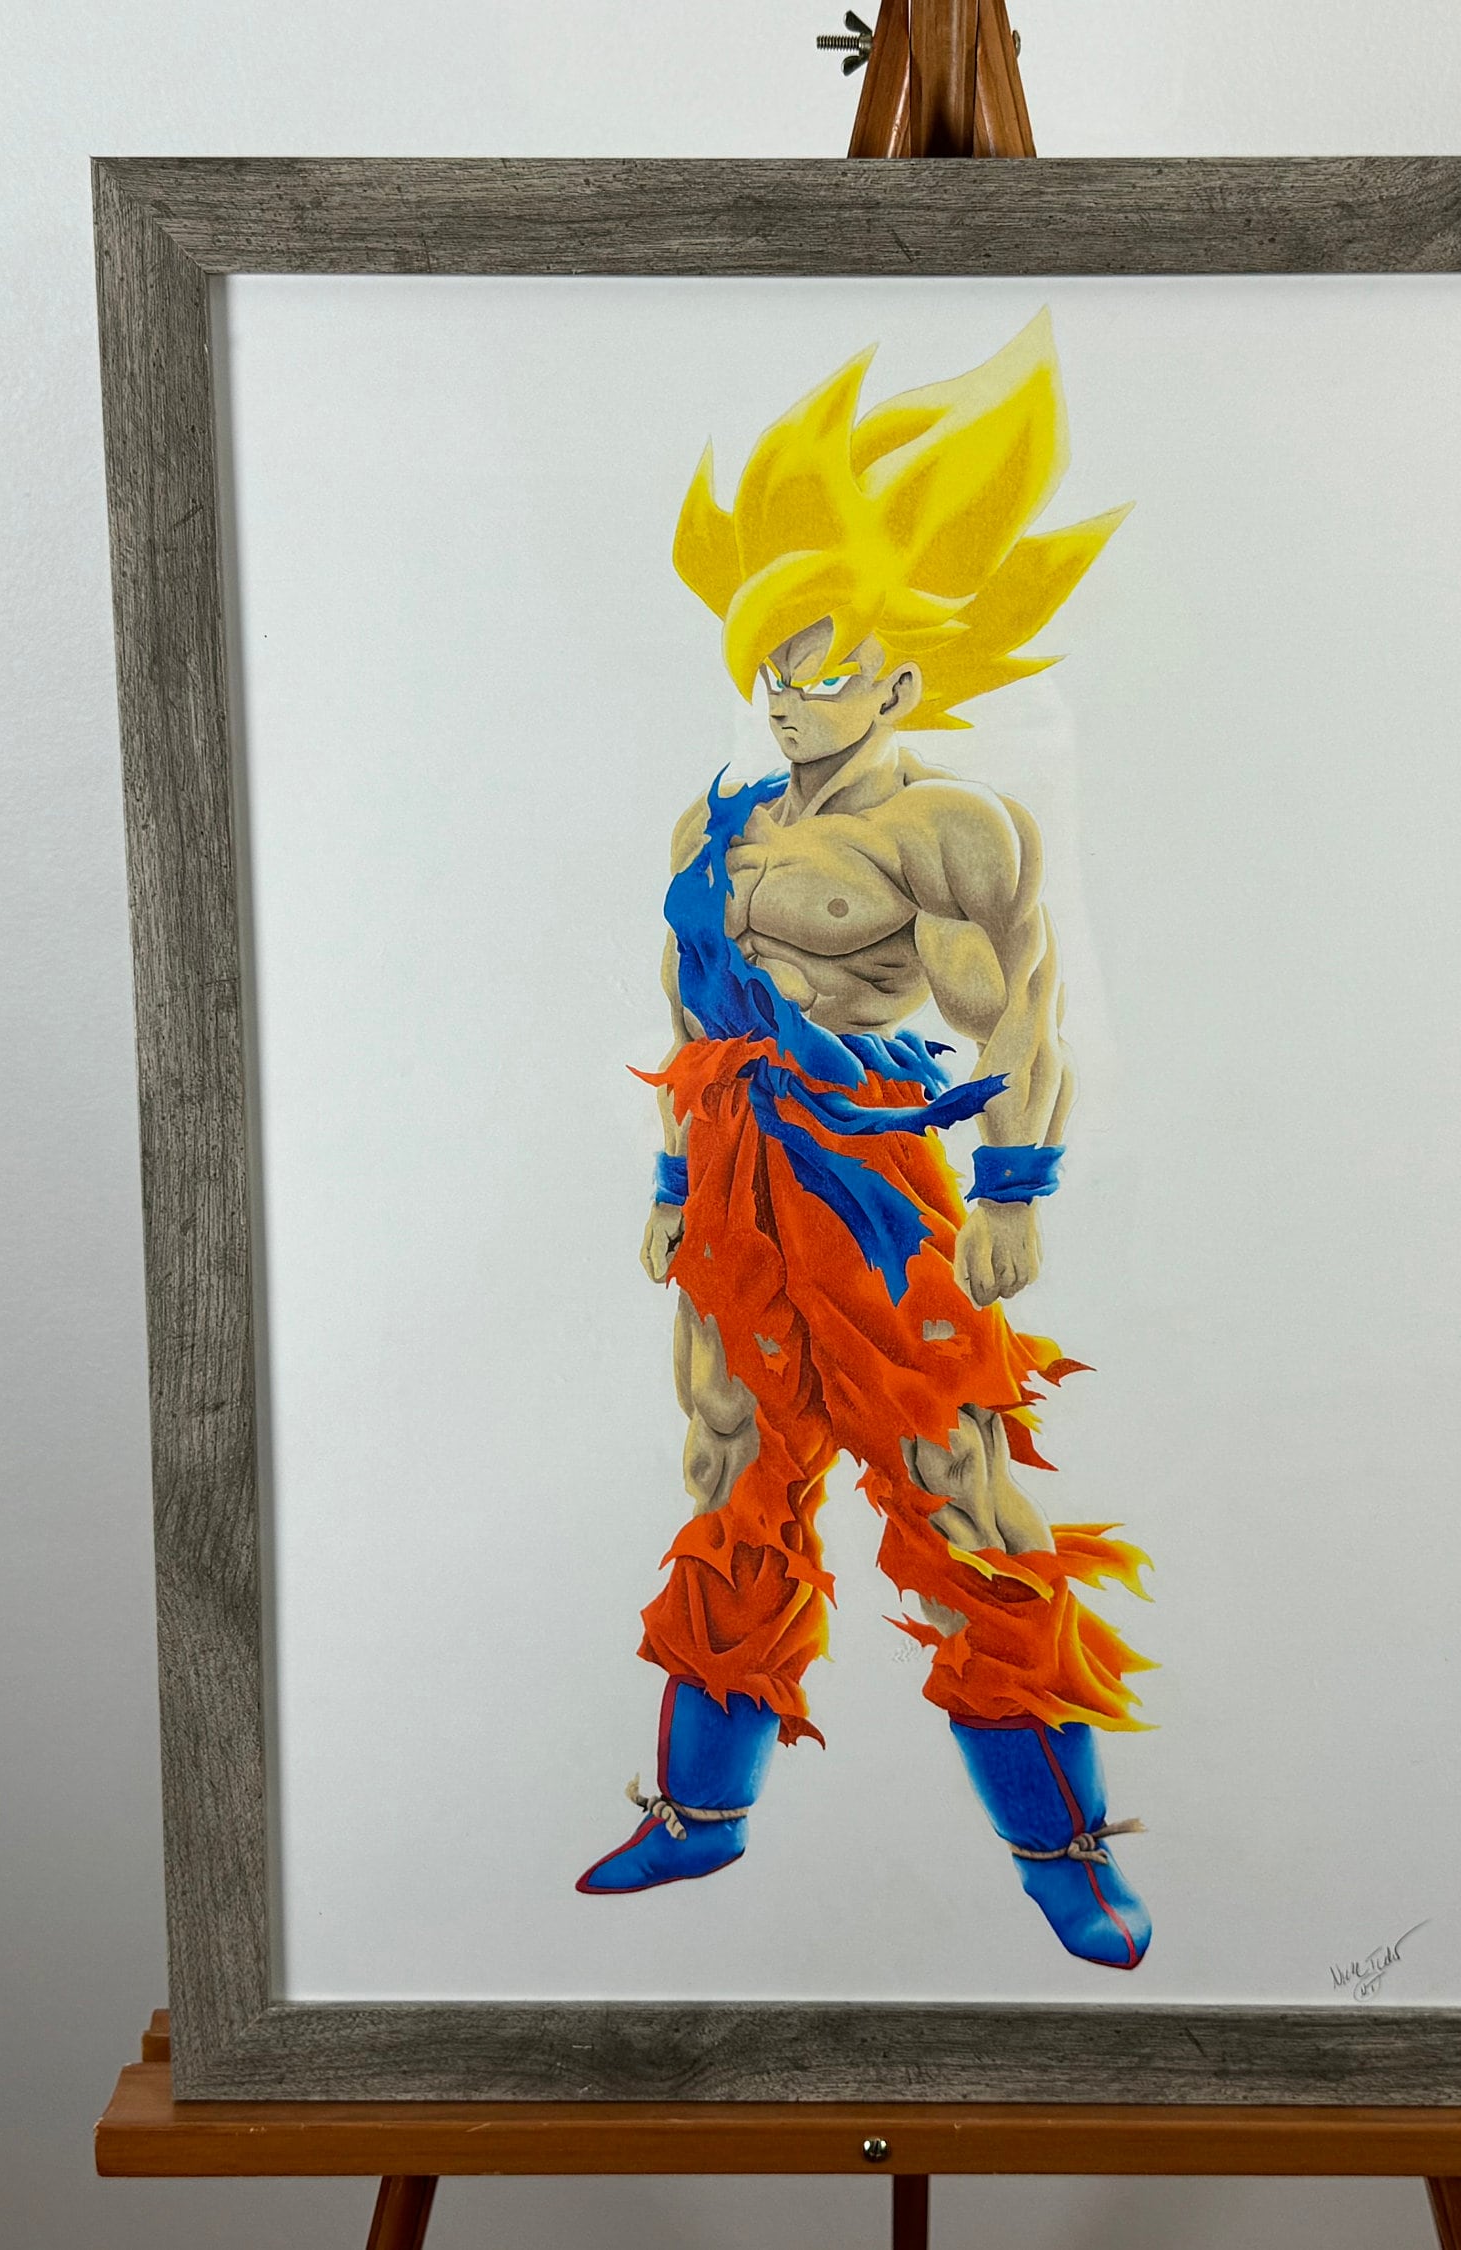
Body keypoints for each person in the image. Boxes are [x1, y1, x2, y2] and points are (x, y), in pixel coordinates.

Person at [573, 313, 1155, 1969]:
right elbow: (687, 1007)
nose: (786, 693)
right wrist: (674, 1179)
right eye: (772, 665)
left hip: (874, 1180)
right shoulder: (718, 824)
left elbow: (1021, 1010)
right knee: (732, 1461)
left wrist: (1017, 1185)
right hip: (735, 1179)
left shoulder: (945, 828)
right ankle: (702, 1814)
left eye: (822, 665)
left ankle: (1062, 1849)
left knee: (957, 1481)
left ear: (899, 679)